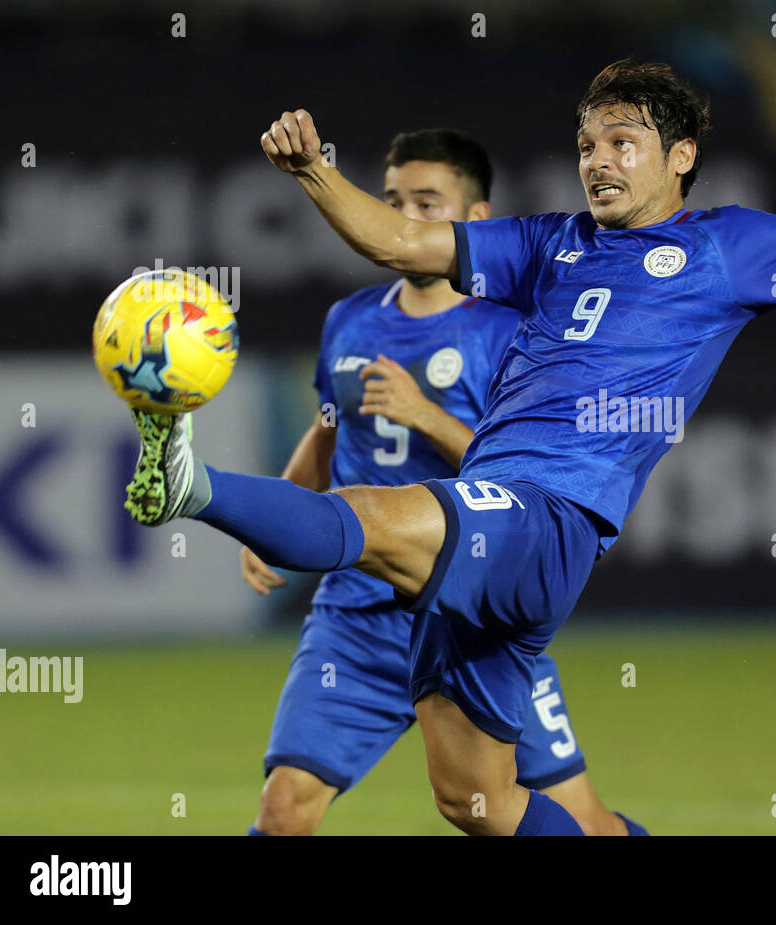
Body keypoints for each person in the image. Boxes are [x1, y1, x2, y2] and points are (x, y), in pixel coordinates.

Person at [123, 58, 776, 835]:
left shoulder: (732, 245)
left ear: (678, 157)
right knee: (471, 802)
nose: (598, 160)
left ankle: (190, 481)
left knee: (368, 518)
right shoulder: (548, 246)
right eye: (587, 143)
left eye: (621, 142)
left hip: (548, 518)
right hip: (491, 535)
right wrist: (312, 172)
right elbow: (400, 244)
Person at [244, 128, 634, 836]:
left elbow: (527, 485)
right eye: (394, 200)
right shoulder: (351, 320)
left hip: (470, 614)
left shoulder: (516, 330)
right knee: (283, 808)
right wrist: (279, 511)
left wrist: (426, 415)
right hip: (357, 618)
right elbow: (330, 429)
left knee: (582, 820)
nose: (405, 216)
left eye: (428, 202)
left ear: (475, 220)